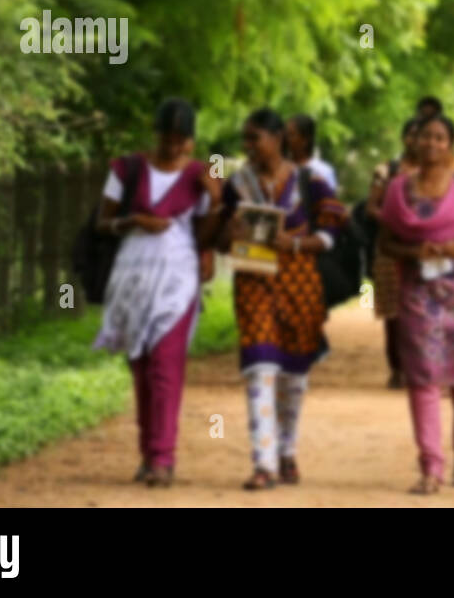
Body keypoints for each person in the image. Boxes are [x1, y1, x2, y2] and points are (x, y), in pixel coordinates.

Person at [93, 98, 220, 488]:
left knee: (166, 364)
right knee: (142, 366)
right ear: (157, 134)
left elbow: (205, 235)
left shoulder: (201, 173)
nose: (175, 147)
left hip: (177, 279)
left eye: (182, 141)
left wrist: (215, 201)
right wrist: (133, 220)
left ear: (191, 141)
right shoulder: (127, 168)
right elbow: (101, 223)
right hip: (133, 278)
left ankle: (163, 457)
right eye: (168, 138)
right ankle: (148, 453)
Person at [217, 108, 345, 490]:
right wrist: (231, 228)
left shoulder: (312, 181)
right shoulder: (237, 184)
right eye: (245, 139)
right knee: (259, 367)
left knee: (293, 377)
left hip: (300, 283)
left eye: (254, 138)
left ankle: (287, 450)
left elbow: (331, 232)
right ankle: (264, 464)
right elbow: (221, 240)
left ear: (276, 139)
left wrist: (294, 243)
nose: (248, 146)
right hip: (254, 282)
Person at [377, 114, 454, 494]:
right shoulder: (398, 190)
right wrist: (416, 251)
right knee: (423, 378)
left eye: (439, 138)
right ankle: (431, 467)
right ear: (413, 142)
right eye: (424, 137)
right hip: (418, 293)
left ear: (449, 143)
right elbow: (385, 243)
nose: (430, 144)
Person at [367, 118, 421, 389]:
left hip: (422, 247)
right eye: (411, 135)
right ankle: (397, 367)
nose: (415, 141)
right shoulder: (386, 170)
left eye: (420, 135)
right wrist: (396, 220)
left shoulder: (437, 172)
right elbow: (371, 207)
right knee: (393, 312)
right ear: (404, 139)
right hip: (390, 247)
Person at [285, 113, 338, 193]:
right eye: (285, 134)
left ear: (305, 140)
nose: (286, 139)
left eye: (291, 135)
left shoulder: (323, 171)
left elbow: (330, 203)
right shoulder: (282, 170)